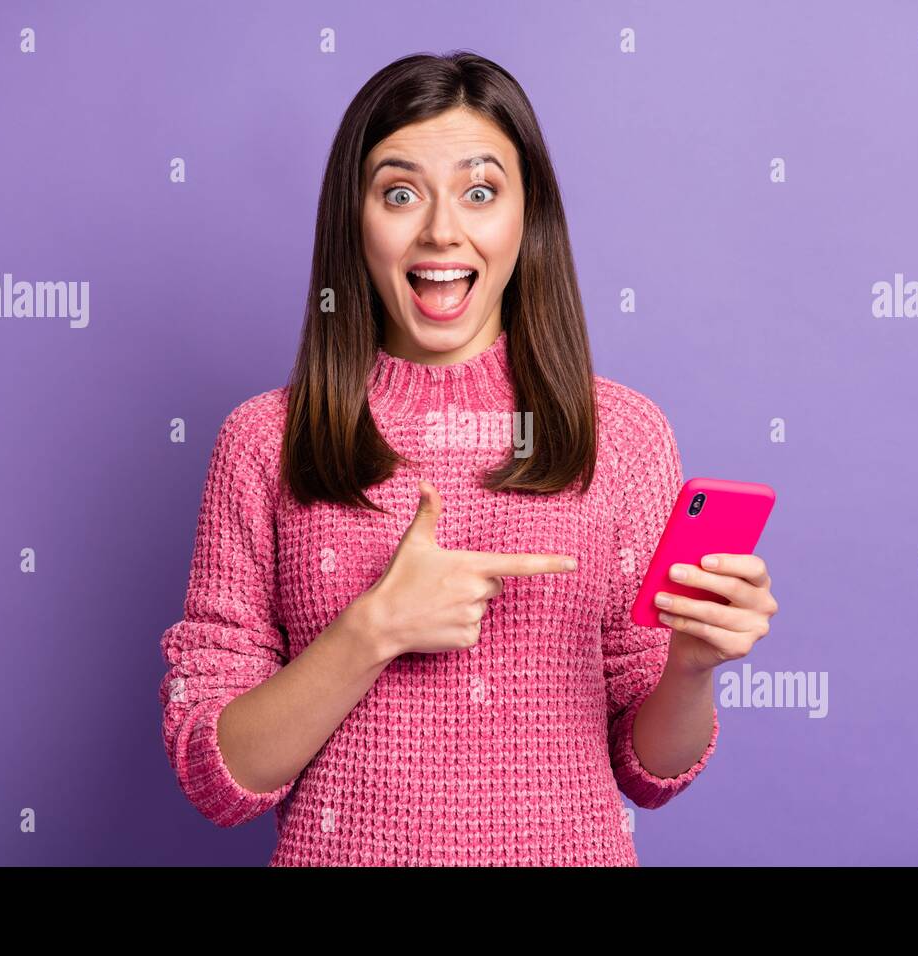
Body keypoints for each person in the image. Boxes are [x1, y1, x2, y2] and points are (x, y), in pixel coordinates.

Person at [158, 50, 778, 866]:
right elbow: (217, 774)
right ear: (355, 220)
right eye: (400, 192)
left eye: (480, 192)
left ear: (529, 219)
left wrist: (692, 669)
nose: (442, 229)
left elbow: (650, 770)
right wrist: (372, 629)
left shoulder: (621, 434)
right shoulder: (263, 441)